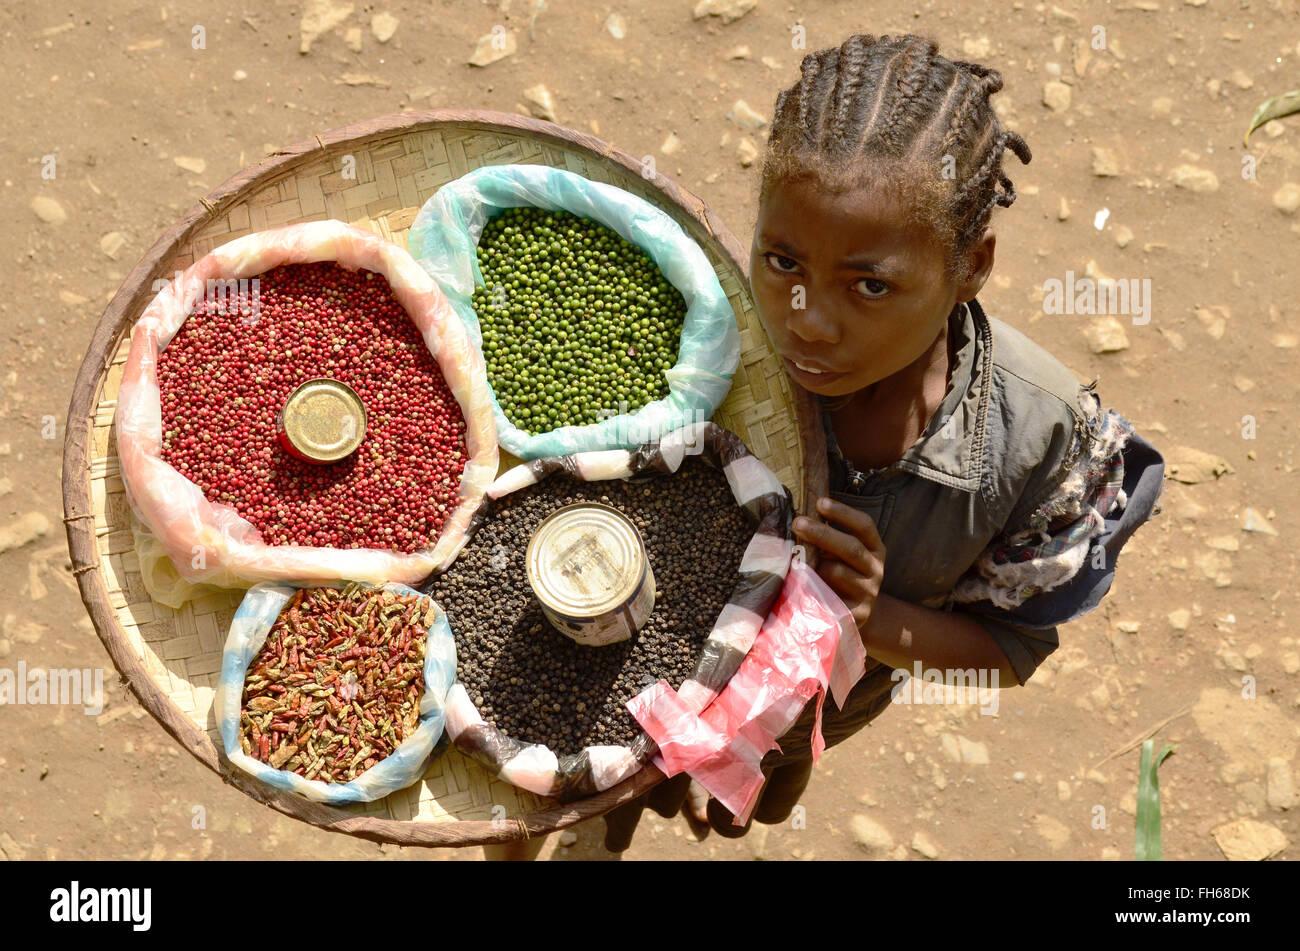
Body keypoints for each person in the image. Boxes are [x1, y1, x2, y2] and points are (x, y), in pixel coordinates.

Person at [598, 32, 1166, 851]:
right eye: (783, 259)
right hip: (638, 670)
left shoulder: (1038, 444)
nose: (808, 320)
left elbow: (1005, 653)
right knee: (621, 787)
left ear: (972, 265)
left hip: (815, 709)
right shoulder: (701, 342)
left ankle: (739, 797)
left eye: (870, 284)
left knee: (760, 793)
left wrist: (868, 613)